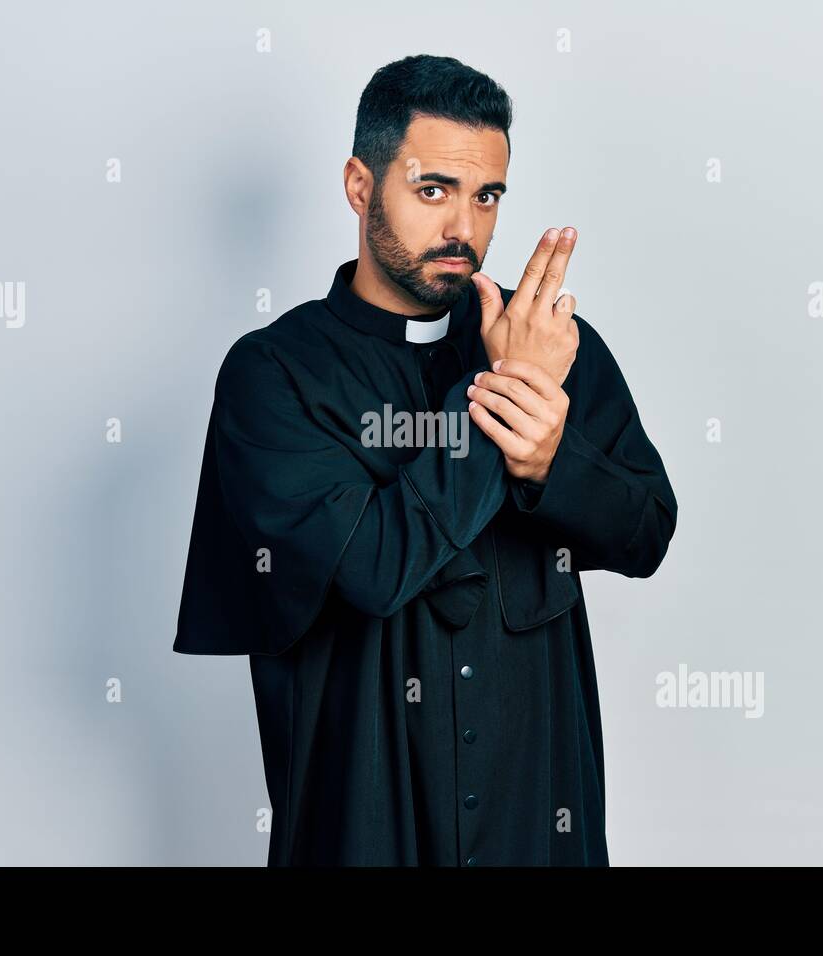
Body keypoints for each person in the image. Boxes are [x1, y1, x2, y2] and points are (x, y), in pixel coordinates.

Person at [174, 54, 677, 866]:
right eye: (434, 190)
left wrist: (552, 461)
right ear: (360, 185)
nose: (465, 229)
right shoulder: (274, 374)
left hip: (536, 821)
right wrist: (505, 394)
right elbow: (373, 567)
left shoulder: (554, 348)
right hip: (363, 826)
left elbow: (648, 532)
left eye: (487, 197)